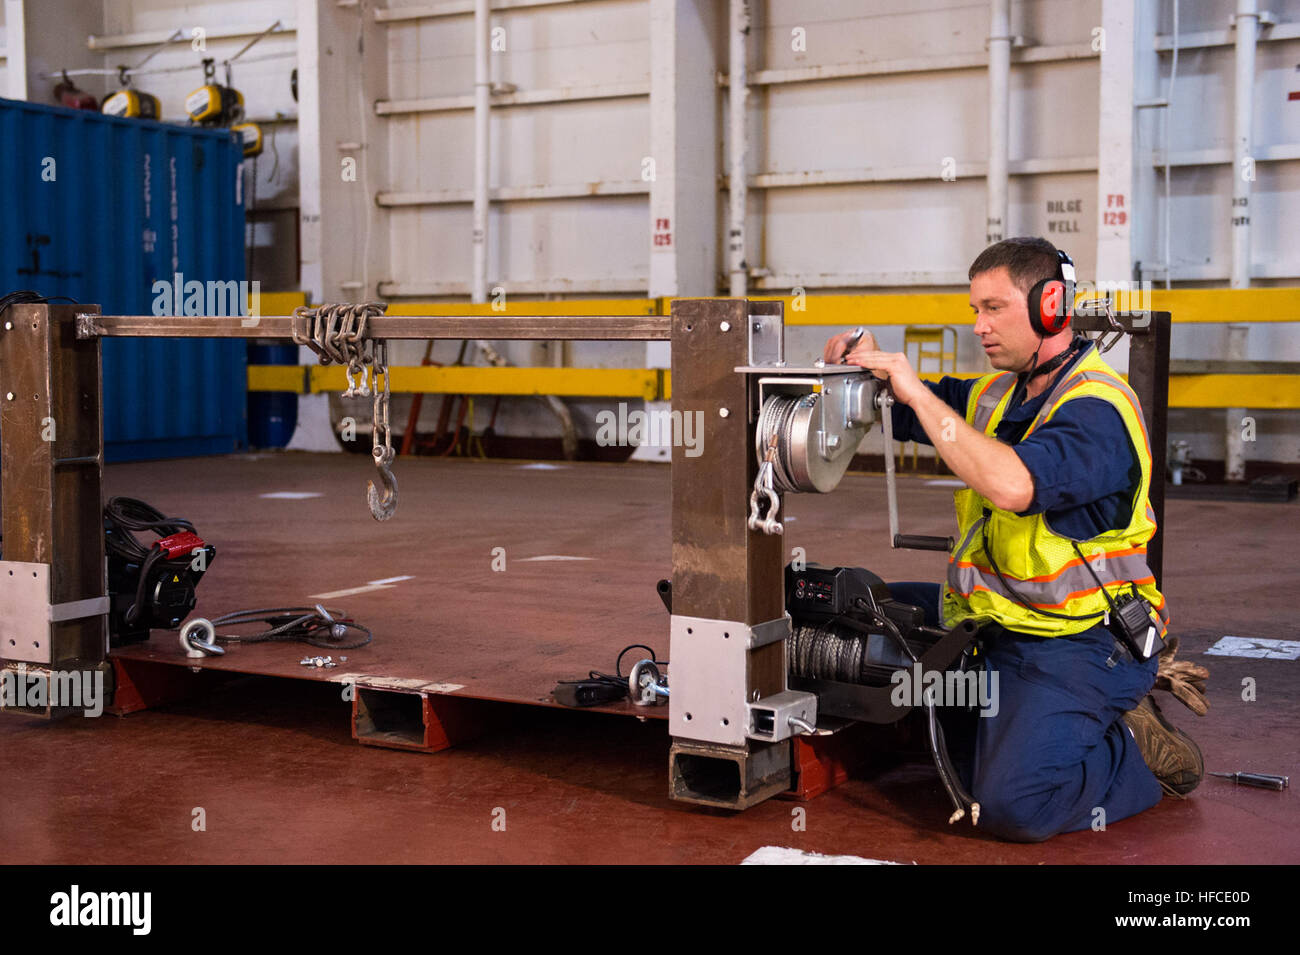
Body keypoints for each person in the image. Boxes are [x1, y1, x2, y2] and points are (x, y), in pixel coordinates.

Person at [823, 236, 1203, 842]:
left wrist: (916, 390)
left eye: (993, 308)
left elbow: (1013, 485)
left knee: (1013, 805)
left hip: (1079, 641)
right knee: (848, 610)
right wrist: (868, 367)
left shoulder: (1097, 410)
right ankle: (1009, 724)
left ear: (1051, 305)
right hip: (994, 619)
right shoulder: (999, 394)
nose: (979, 326)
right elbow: (914, 410)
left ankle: (1129, 745)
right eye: (974, 310)